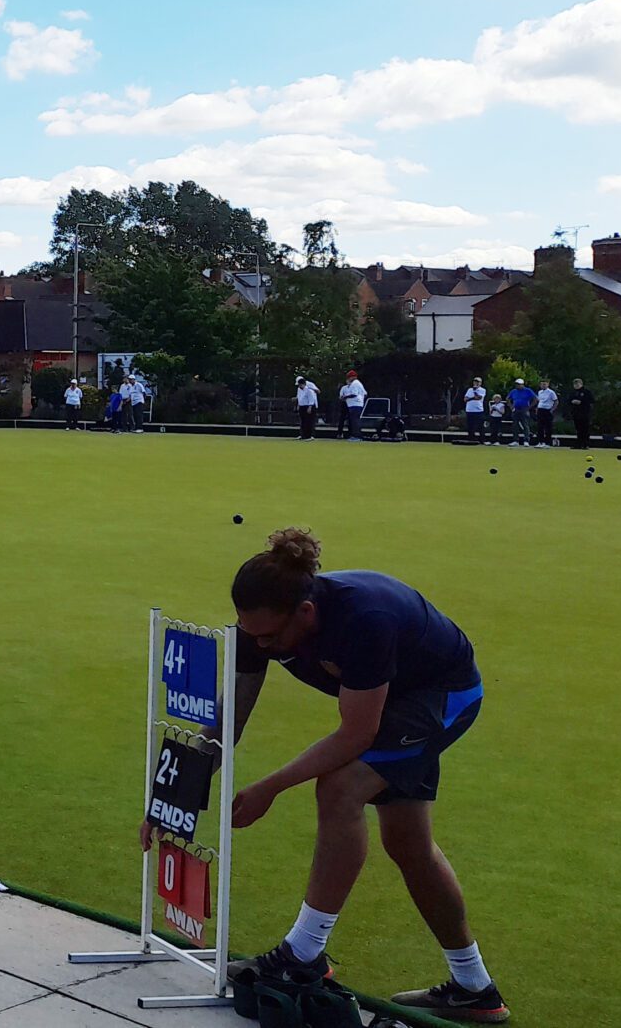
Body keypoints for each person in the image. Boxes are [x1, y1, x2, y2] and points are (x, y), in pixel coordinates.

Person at [206, 528, 507, 1023]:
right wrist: (172, 794)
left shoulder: (365, 620)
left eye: (269, 637)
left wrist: (270, 787)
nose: (260, 645)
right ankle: (475, 988)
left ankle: (302, 954)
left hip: (442, 694)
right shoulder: (263, 626)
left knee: (340, 788)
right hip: (396, 699)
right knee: (408, 843)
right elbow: (227, 721)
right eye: (250, 633)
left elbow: (355, 735)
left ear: (305, 613)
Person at [564, 378, 595, 449]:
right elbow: (568, 401)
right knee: (578, 429)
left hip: (585, 413)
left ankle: (586, 444)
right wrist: (572, 401)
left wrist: (581, 402)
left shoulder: (586, 392)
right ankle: (578, 444)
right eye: (575, 384)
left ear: (581, 384)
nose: (576, 385)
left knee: (585, 429)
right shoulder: (573, 393)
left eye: (577, 384)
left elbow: (591, 400)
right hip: (576, 413)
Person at [505, 379, 535, 447]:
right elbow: (508, 399)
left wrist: (529, 407)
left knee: (525, 425)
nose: (517, 386)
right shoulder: (514, 391)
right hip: (516, 409)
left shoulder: (528, 390)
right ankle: (516, 440)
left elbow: (535, 399)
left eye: (518, 384)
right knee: (515, 425)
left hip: (524, 409)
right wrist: (511, 407)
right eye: (516, 384)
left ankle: (526, 440)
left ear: (522, 384)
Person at [337, 371, 366, 440]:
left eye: (349, 377)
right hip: (355, 404)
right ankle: (356, 435)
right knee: (354, 420)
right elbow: (365, 393)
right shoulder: (358, 383)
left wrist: (345, 397)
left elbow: (354, 394)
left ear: (353, 377)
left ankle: (356, 436)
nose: (348, 379)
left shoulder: (355, 384)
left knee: (355, 421)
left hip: (355, 405)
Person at [533, 381, 558, 448]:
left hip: (547, 410)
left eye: (544, 384)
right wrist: (537, 409)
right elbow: (539, 401)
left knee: (548, 427)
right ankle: (540, 442)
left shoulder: (551, 392)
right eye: (542, 384)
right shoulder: (540, 392)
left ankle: (547, 443)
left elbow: (556, 401)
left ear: (547, 384)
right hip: (540, 410)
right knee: (540, 427)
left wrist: (552, 410)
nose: (543, 385)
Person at [462, 378, 486, 445]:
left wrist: (474, 392)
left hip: (478, 410)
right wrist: (472, 398)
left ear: (480, 383)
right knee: (470, 426)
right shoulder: (469, 390)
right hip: (469, 410)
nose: (476, 383)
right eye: (475, 382)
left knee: (480, 426)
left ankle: (482, 440)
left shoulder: (482, 390)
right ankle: (471, 440)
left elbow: (478, 397)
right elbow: (465, 399)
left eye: (478, 382)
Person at [295, 376, 319, 440]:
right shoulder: (299, 389)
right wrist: (298, 405)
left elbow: (311, 399)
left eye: (300, 385)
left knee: (309, 421)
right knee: (303, 421)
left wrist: (310, 407)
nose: (299, 386)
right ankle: (303, 435)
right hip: (302, 406)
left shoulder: (309, 390)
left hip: (308, 406)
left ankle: (311, 436)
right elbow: (299, 397)